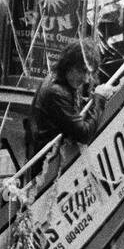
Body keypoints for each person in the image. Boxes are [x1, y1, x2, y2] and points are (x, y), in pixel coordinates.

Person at [24, 42, 108, 173]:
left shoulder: (58, 81)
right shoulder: (57, 92)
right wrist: (99, 100)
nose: (86, 80)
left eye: (89, 74)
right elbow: (84, 134)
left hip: (47, 162)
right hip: (49, 170)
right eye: (82, 71)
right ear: (69, 65)